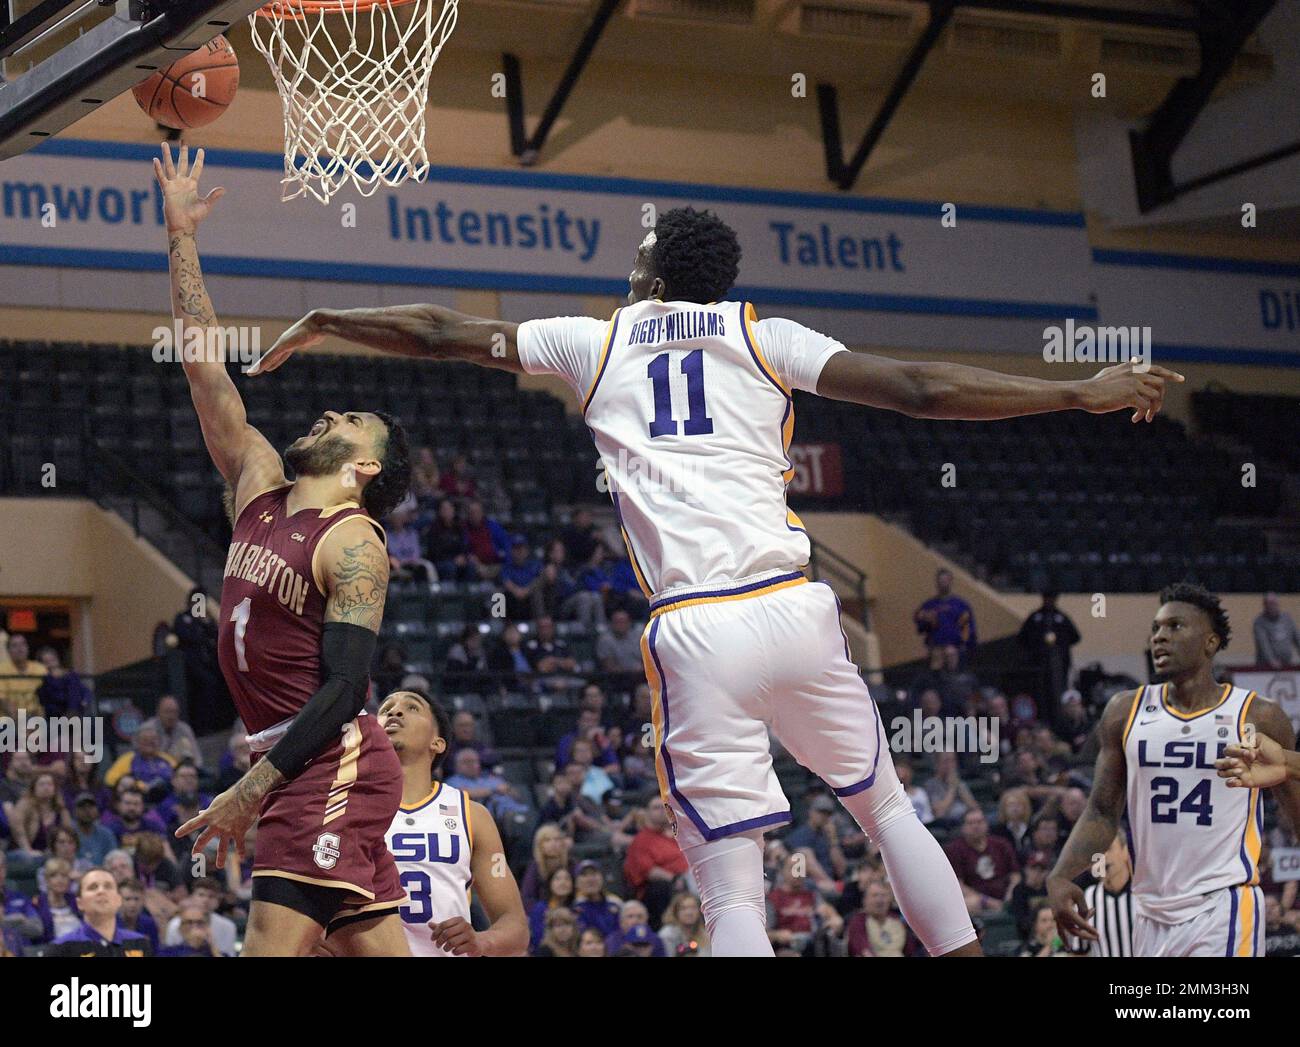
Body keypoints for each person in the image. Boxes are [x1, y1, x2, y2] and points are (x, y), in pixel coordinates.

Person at [257, 204, 1180, 958]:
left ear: (653, 279)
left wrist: (334, 319)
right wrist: (1071, 391)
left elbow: (439, 330)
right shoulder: (767, 335)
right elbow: (921, 388)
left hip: (700, 626)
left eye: (634, 263)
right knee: (887, 806)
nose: (626, 275)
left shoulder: (597, 341)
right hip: (797, 606)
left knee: (732, 876)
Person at [153, 144, 412, 957]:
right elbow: (203, 367)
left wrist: (250, 790)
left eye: (349, 422)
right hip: (293, 761)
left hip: (326, 762)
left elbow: (343, 687)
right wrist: (181, 235)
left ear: (364, 467)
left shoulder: (354, 541)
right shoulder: (259, 481)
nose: (330, 413)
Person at [1049, 583, 1300, 957]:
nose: (1160, 637)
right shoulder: (1124, 711)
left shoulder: (1257, 715)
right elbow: (1102, 810)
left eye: (1175, 627)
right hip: (1150, 911)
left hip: (1223, 904)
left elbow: (1296, 811)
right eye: (1156, 629)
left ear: (1211, 643)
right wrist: (1061, 875)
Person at [376, 690, 527, 956]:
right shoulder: (345, 807)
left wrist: (482, 942)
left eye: (412, 708)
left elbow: (514, 924)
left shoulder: (471, 815)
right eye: (386, 708)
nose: (394, 712)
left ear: (438, 743)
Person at [46, 867, 151, 957]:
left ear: (119, 900)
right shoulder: (61, 948)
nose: (101, 891)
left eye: (108, 886)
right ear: (80, 903)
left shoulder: (139, 943)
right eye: (93, 887)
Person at [1017, 591, 1081, 722]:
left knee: (1058, 693)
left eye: (1052, 598)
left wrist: (1061, 644)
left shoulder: (1061, 617)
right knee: (1040, 692)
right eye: (1047, 598)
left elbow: (1075, 636)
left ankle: (1059, 717)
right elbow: (1022, 638)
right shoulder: (1035, 617)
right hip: (1038, 664)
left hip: (1058, 664)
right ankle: (1041, 718)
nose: (1049, 601)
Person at [945, 808, 1021, 916]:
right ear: (963, 827)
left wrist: (1010, 894)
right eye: (971, 823)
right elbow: (958, 885)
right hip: (977, 899)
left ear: (986, 824)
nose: (975, 826)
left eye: (979, 822)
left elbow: (1015, 875)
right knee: (970, 903)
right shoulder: (954, 849)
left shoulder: (1002, 845)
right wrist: (986, 901)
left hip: (1005, 897)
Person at [914, 569, 976, 672]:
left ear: (951, 581)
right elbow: (920, 627)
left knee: (952, 671)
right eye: (940, 581)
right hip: (935, 650)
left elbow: (968, 628)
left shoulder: (961, 605)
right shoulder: (929, 605)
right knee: (935, 674)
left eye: (945, 580)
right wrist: (925, 619)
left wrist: (962, 647)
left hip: (954, 649)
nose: (942, 583)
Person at [162, 877, 237, 956]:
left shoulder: (228, 926)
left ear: (218, 901)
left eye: (211, 896)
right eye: (201, 895)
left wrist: (211, 943)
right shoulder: (175, 924)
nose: (206, 900)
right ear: (192, 897)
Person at [141, 695, 204, 769]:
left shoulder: (184, 729)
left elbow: (197, 758)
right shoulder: (147, 729)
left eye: (174, 712)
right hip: (153, 770)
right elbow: (139, 757)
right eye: (167, 712)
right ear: (158, 712)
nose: (171, 716)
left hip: (180, 773)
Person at [0, 633, 48, 718]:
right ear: (8, 651)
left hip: (37, 720)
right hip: (9, 722)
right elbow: (3, 701)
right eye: (15, 645)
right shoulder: (2, 670)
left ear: (28, 648)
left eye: (23, 644)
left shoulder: (40, 669)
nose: (20, 648)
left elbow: (46, 699)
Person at [1253, 592, 1300, 668]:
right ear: (1264, 606)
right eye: (1269, 604)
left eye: (1274, 603)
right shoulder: (1259, 622)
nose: (1272, 606)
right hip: (1266, 666)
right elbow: (1263, 643)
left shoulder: (1287, 618)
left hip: (1287, 663)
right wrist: (1272, 660)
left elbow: (1297, 638)